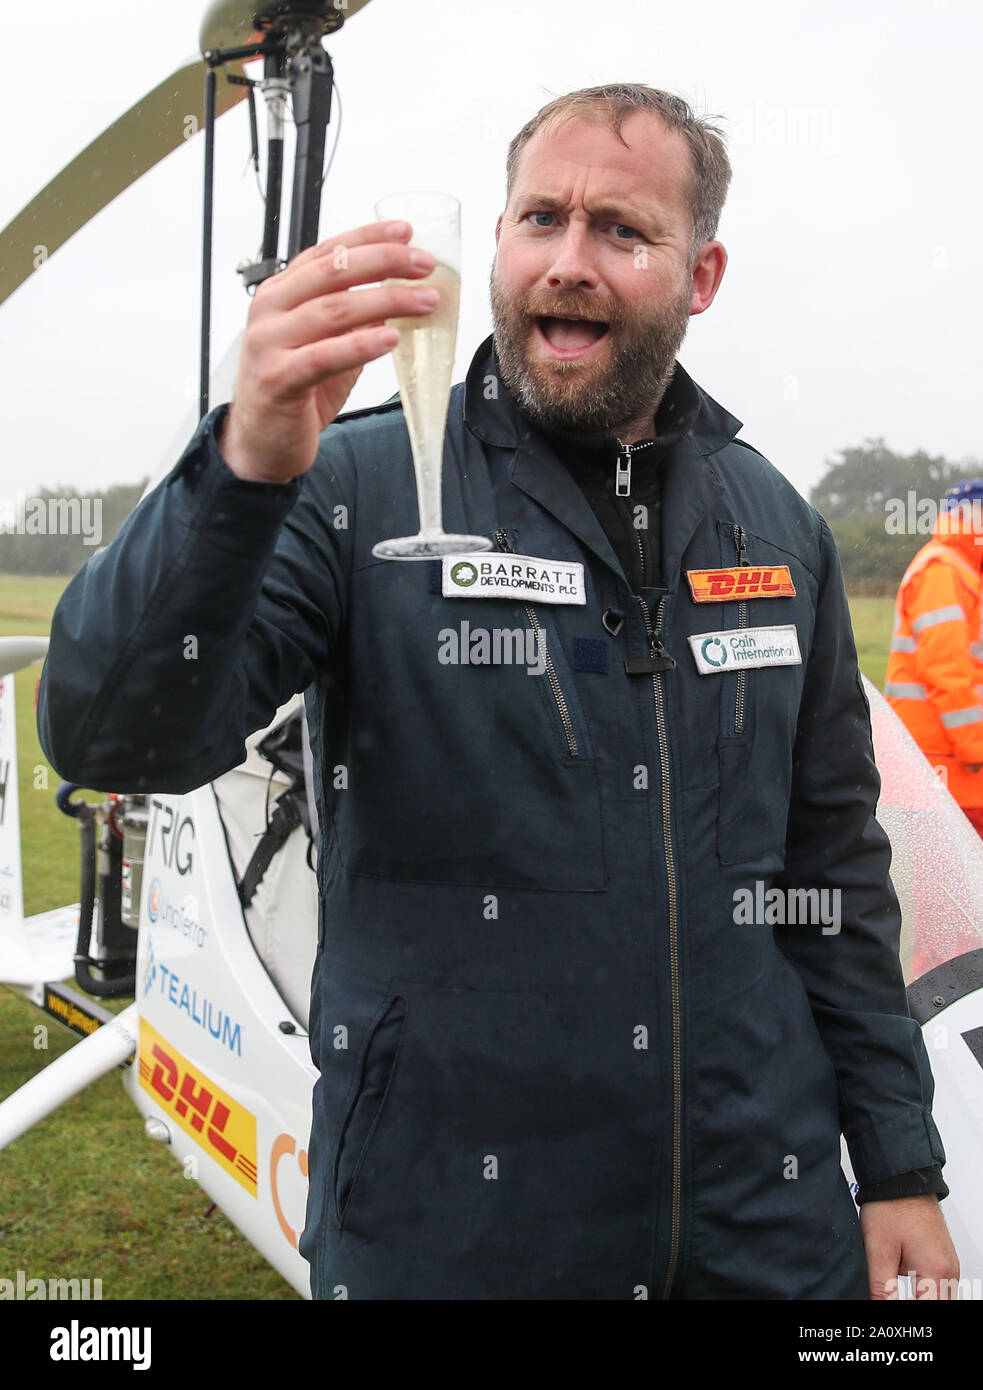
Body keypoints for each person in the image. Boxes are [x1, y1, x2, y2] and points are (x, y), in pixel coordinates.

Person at [38, 84, 958, 1300]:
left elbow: (831, 870)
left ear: (701, 273)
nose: (568, 263)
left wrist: (895, 1161)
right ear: (497, 244)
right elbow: (112, 736)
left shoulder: (774, 523)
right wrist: (242, 465)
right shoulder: (343, 488)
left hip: (762, 1235)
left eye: (620, 232)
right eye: (539, 219)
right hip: (453, 1241)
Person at [886, 480, 983, 837]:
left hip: (953, 763)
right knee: (952, 888)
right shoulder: (943, 570)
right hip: (948, 765)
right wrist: (976, 747)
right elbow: (946, 669)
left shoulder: (963, 568)